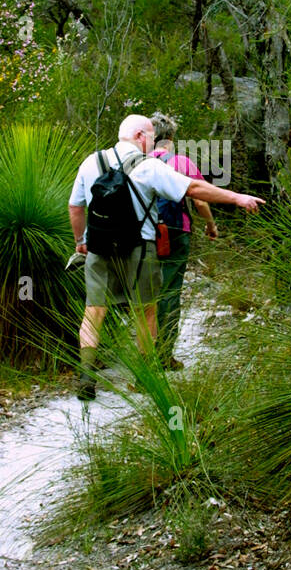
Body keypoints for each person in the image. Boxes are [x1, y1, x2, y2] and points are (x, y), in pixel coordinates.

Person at [68, 113, 264, 400]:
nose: (151, 142)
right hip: (139, 248)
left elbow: (75, 207)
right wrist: (237, 197)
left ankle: (86, 376)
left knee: (94, 311)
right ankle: (143, 378)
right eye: (149, 136)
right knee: (145, 311)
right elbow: (194, 189)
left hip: (99, 248)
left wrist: (81, 242)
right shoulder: (148, 166)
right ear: (139, 136)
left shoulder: (91, 162)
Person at [150, 111, 217, 370]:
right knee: (169, 292)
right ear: (171, 137)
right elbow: (200, 200)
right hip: (175, 232)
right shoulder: (181, 162)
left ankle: (142, 354)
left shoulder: (138, 162)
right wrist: (211, 224)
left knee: (144, 293)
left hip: (142, 234)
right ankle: (164, 355)